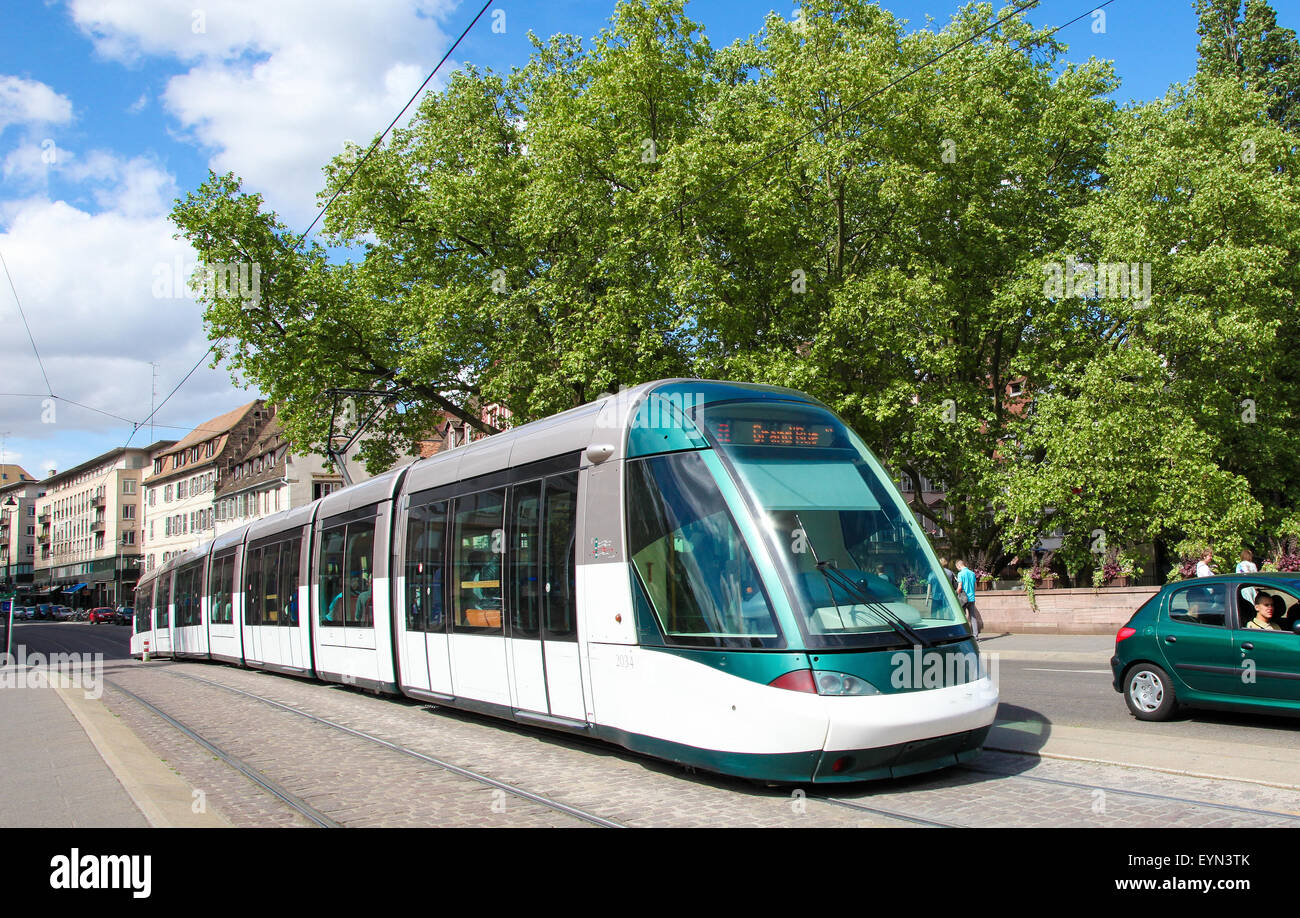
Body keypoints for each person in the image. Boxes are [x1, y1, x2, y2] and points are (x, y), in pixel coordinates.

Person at [955, 559, 981, 638]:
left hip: (963, 599)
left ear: (959, 566)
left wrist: (956, 593)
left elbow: (959, 587)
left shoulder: (960, 574)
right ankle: (975, 635)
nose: (958, 569)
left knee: (962, 616)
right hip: (971, 598)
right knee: (973, 617)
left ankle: (964, 634)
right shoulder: (972, 573)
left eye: (957, 567)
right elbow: (975, 586)